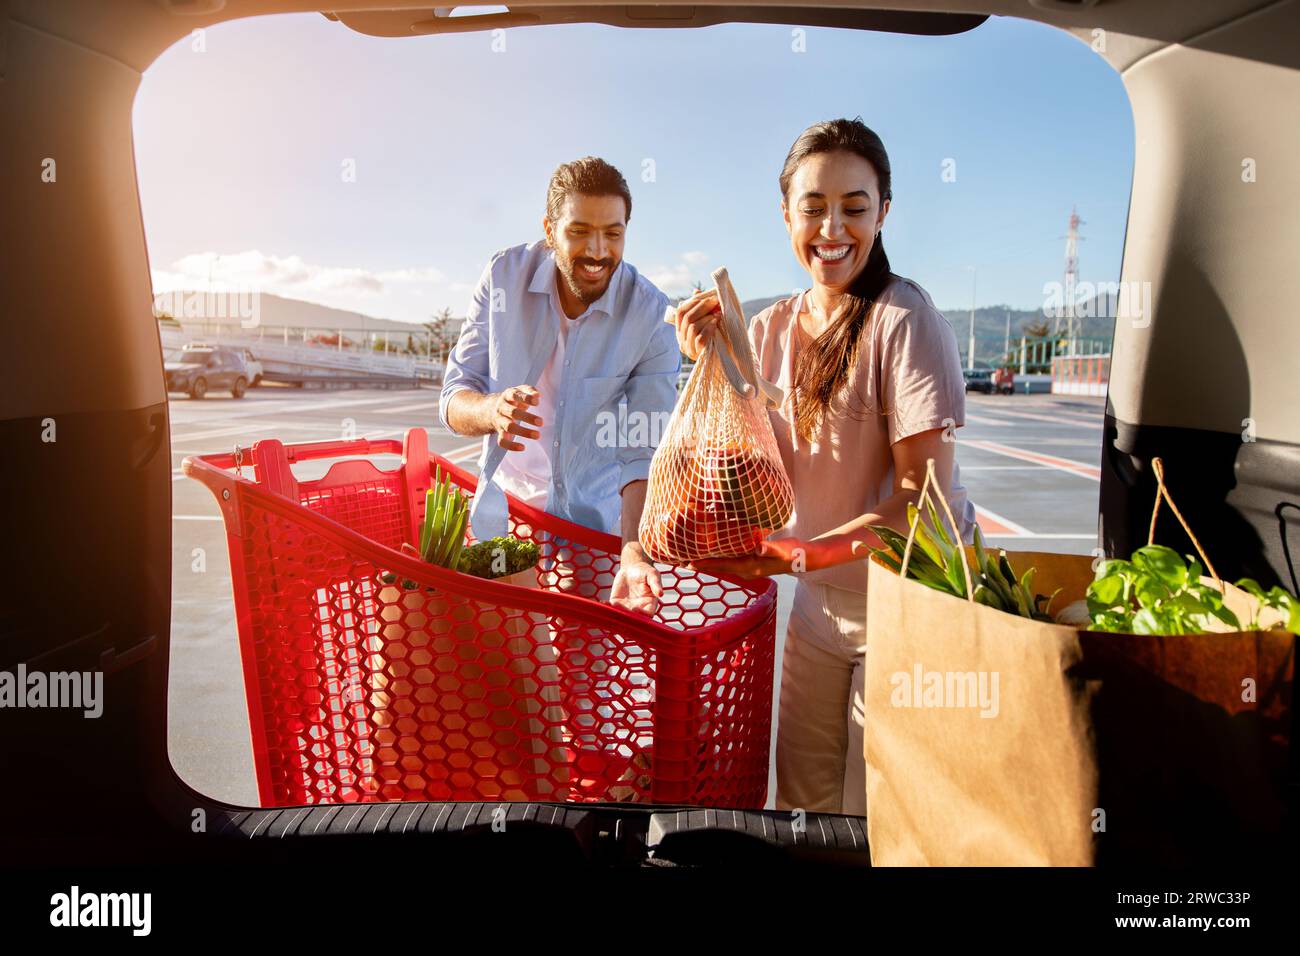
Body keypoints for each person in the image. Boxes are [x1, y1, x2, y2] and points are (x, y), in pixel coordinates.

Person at [670, 118, 977, 815]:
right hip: (816, 605)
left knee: (881, 815)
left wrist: (800, 555)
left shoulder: (904, 319)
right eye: (812, 207)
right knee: (802, 806)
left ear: (884, 212)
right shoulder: (771, 327)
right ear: (786, 216)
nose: (831, 227)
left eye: (854, 206)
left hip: (909, 601)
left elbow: (921, 503)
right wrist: (706, 362)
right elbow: (748, 460)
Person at [439, 157, 679, 613]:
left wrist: (634, 550)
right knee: (504, 669)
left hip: (594, 534)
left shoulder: (650, 315)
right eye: (579, 231)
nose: (597, 250)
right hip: (505, 520)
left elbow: (641, 450)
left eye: (613, 233)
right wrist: (492, 411)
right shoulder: (502, 278)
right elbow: (453, 398)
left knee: (583, 679)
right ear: (550, 230)